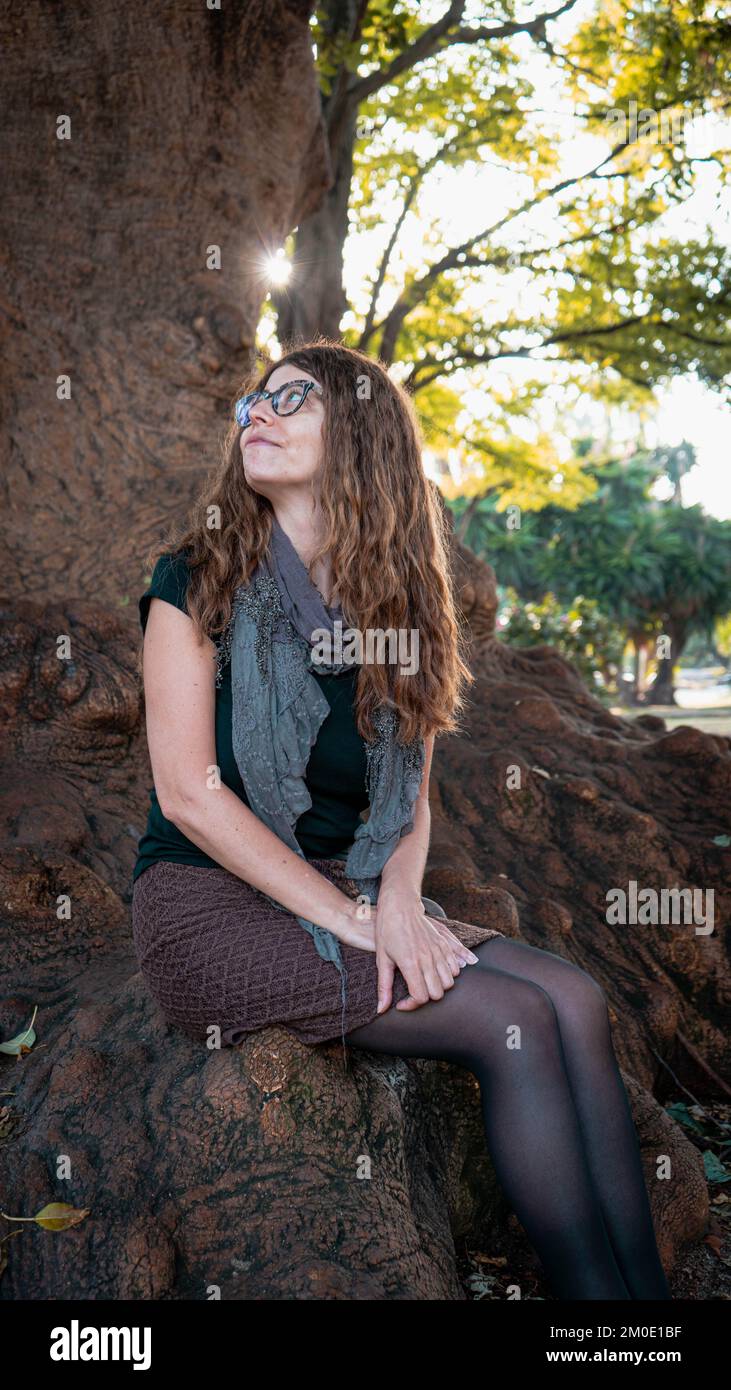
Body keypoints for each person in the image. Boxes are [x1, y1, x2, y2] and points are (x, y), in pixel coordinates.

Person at [131, 338, 671, 1302]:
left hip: (345, 890)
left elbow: (411, 798)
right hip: (206, 911)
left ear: (361, 434)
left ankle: (646, 1320)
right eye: (254, 400)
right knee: (506, 1017)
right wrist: (355, 920)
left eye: (291, 400)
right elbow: (190, 793)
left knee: (575, 1002)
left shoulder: (400, 605)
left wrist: (397, 901)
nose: (257, 411)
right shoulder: (195, 582)